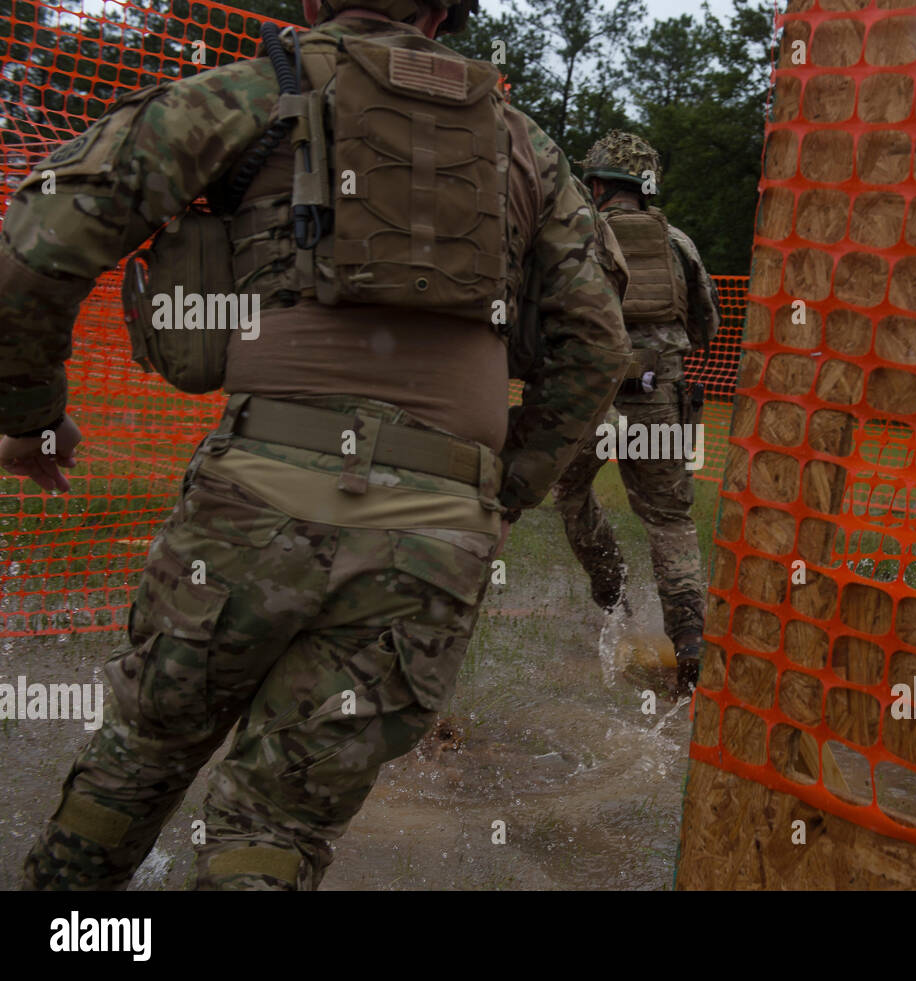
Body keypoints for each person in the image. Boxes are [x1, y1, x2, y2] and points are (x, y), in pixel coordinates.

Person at [0, 0, 630, 889]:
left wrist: (30, 416)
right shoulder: (527, 147)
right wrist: (500, 490)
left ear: (305, 3)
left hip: (253, 502)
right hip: (437, 532)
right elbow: (598, 343)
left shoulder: (242, 98)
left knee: (133, 766)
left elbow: (33, 246)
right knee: (275, 829)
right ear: (443, 12)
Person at [551, 131, 719, 696]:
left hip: (589, 403)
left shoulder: (575, 237)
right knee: (669, 520)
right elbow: (707, 329)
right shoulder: (679, 245)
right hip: (657, 406)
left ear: (596, 184)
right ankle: (690, 639)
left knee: (571, 495)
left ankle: (614, 595)